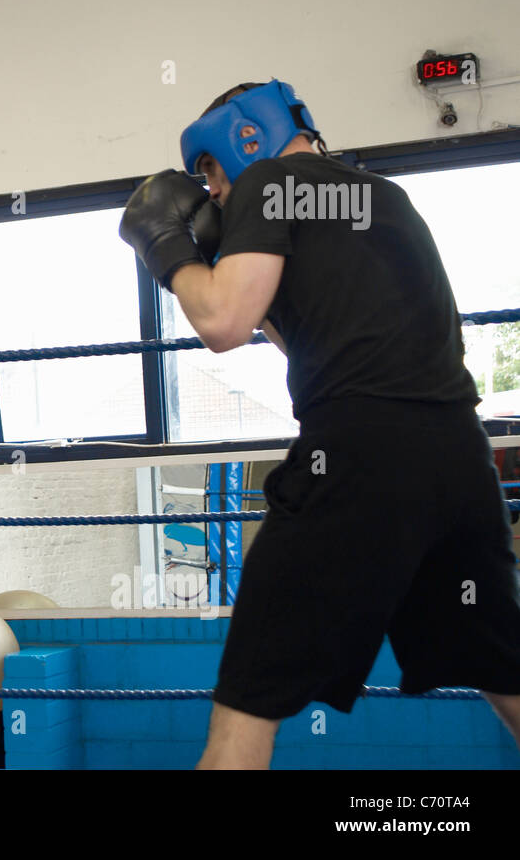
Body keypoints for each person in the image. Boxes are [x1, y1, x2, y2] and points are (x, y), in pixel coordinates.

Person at [119, 79, 520, 768]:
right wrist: (232, 259)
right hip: (459, 463)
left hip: (358, 461)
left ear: (244, 136)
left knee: (246, 705)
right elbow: (314, 338)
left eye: (210, 172)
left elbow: (220, 320)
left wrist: (169, 249)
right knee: (507, 672)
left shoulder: (268, 182)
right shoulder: (385, 197)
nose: (212, 192)